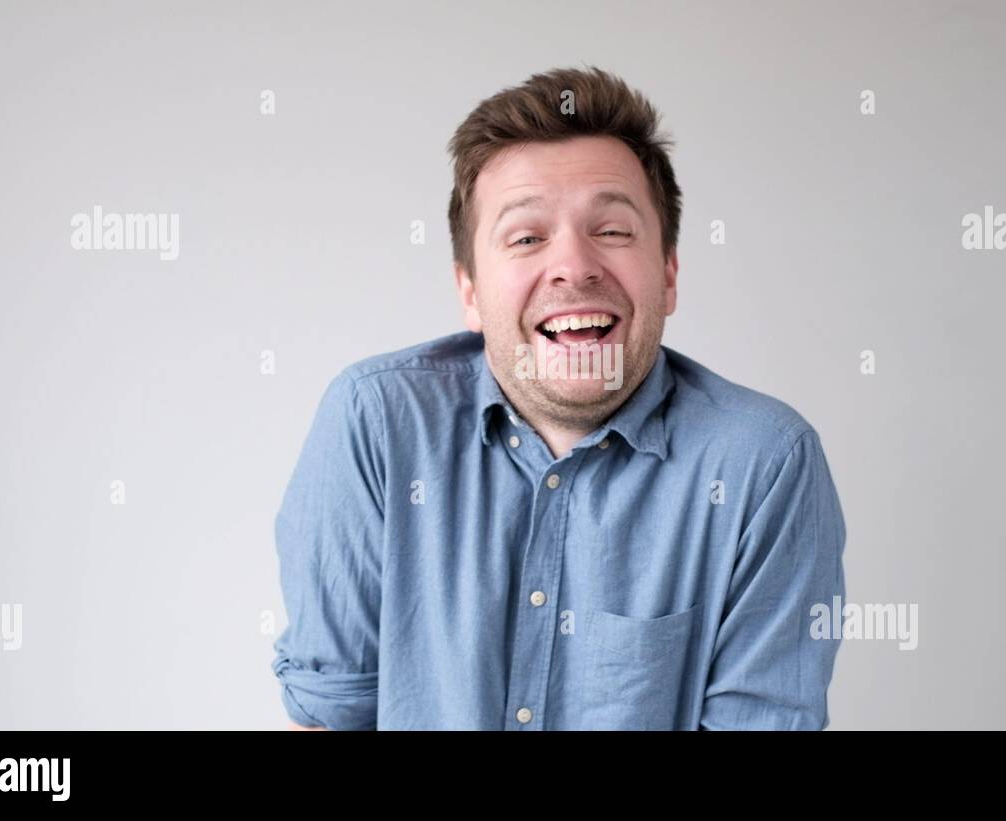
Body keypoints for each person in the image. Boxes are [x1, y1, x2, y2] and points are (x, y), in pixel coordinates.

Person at [271, 65, 846, 730]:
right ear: (469, 290)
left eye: (612, 230)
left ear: (668, 274)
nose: (575, 265)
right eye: (527, 237)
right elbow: (327, 718)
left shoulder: (764, 465)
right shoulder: (374, 424)